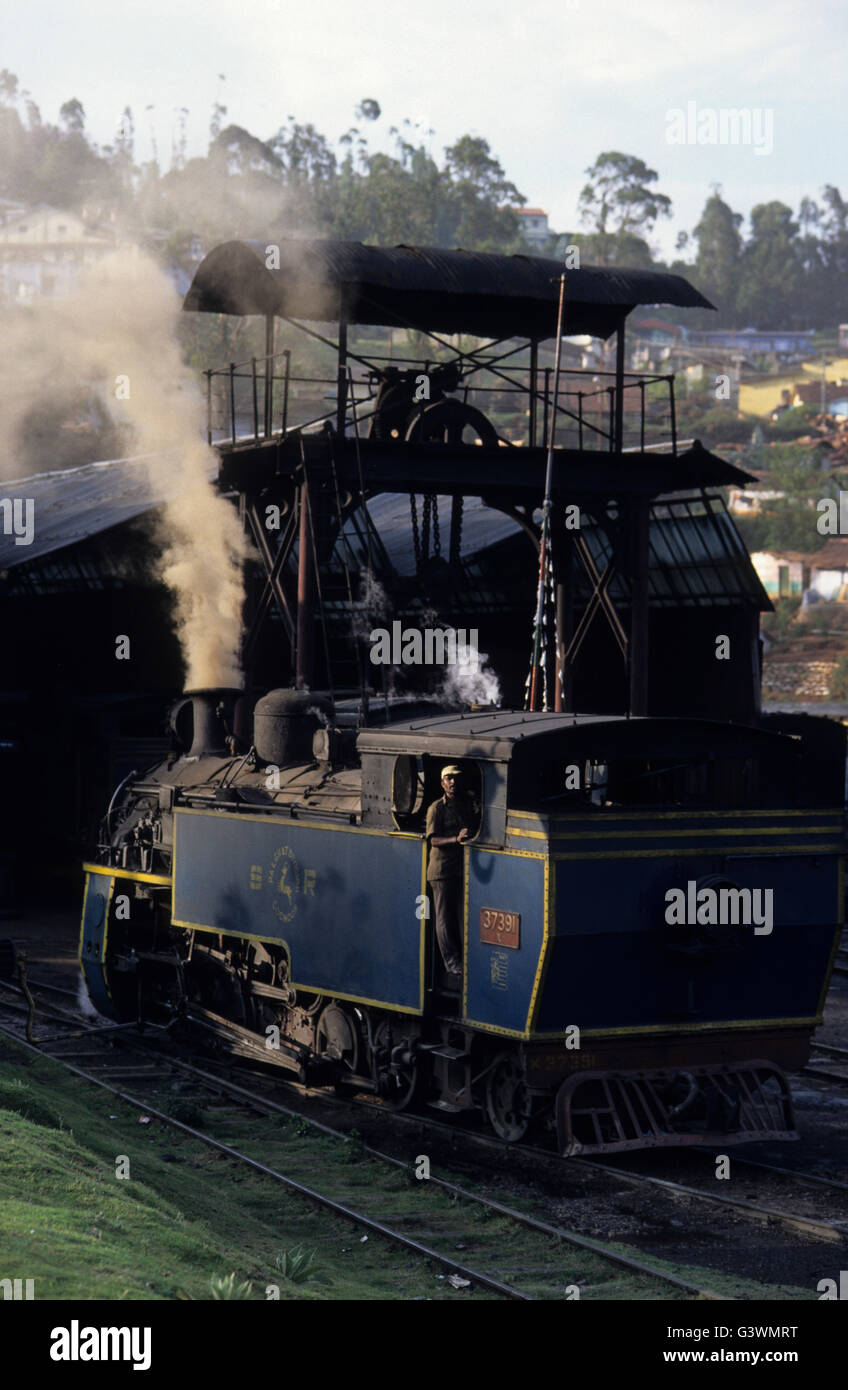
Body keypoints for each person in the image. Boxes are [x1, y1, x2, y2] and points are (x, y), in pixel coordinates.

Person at [425, 764, 478, 977]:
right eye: (449, 778)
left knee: (459, 915)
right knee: (444, 918)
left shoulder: (464, 805)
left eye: (456, 778)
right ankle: (451, 962)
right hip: (441, 870)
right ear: (442, 783)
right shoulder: (436, 808)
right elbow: (433, 840)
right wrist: (456, 839)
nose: (453, 782)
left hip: (459, 868)